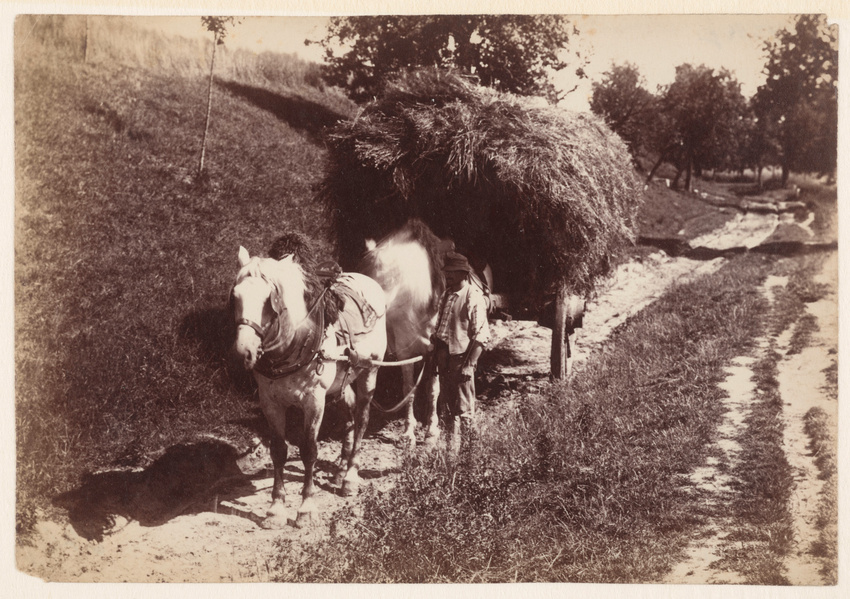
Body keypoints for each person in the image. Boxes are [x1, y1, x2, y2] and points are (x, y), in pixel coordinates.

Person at [431, 251, 490, 452]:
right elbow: (439, 329)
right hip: (444, 359)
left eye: (453, 272)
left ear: (464, 274)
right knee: (445, 408)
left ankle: (468, 456)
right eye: (447, 272)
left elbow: (481, 336)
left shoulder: (473, 296)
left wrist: (469, 365)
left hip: (461, 360)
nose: (448, 275)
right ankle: (449, 452)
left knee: (464, 410)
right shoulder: (446, 295)